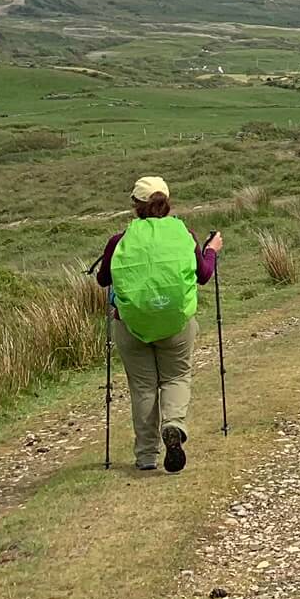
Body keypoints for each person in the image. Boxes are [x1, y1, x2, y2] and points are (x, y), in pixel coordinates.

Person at [95, 176, 221, 473]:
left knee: (142, 387)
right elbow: (203, 275)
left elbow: (103, 280)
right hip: (176, 322)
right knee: (176, 377)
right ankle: (174, 425)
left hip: (131, 324)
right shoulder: (184, 234)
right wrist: (211, 250)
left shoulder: (120, 240)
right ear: (167, 202)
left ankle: (146, 456)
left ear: (136, 206)